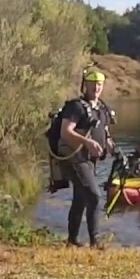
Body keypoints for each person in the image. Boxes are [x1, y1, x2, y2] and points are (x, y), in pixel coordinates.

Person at [50, 68, 115, 247]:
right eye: (92, 84)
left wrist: (111, 148)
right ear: (84, 85)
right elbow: (66, 132)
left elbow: (105, 132)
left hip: (90, 160)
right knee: (94, 196)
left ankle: (72, 240)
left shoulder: (102, 109)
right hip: (74, 157)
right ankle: (95, 240)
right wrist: (87, 143)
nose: (96, 87)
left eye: (99, 84)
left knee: (81, 197)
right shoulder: (76, 107)